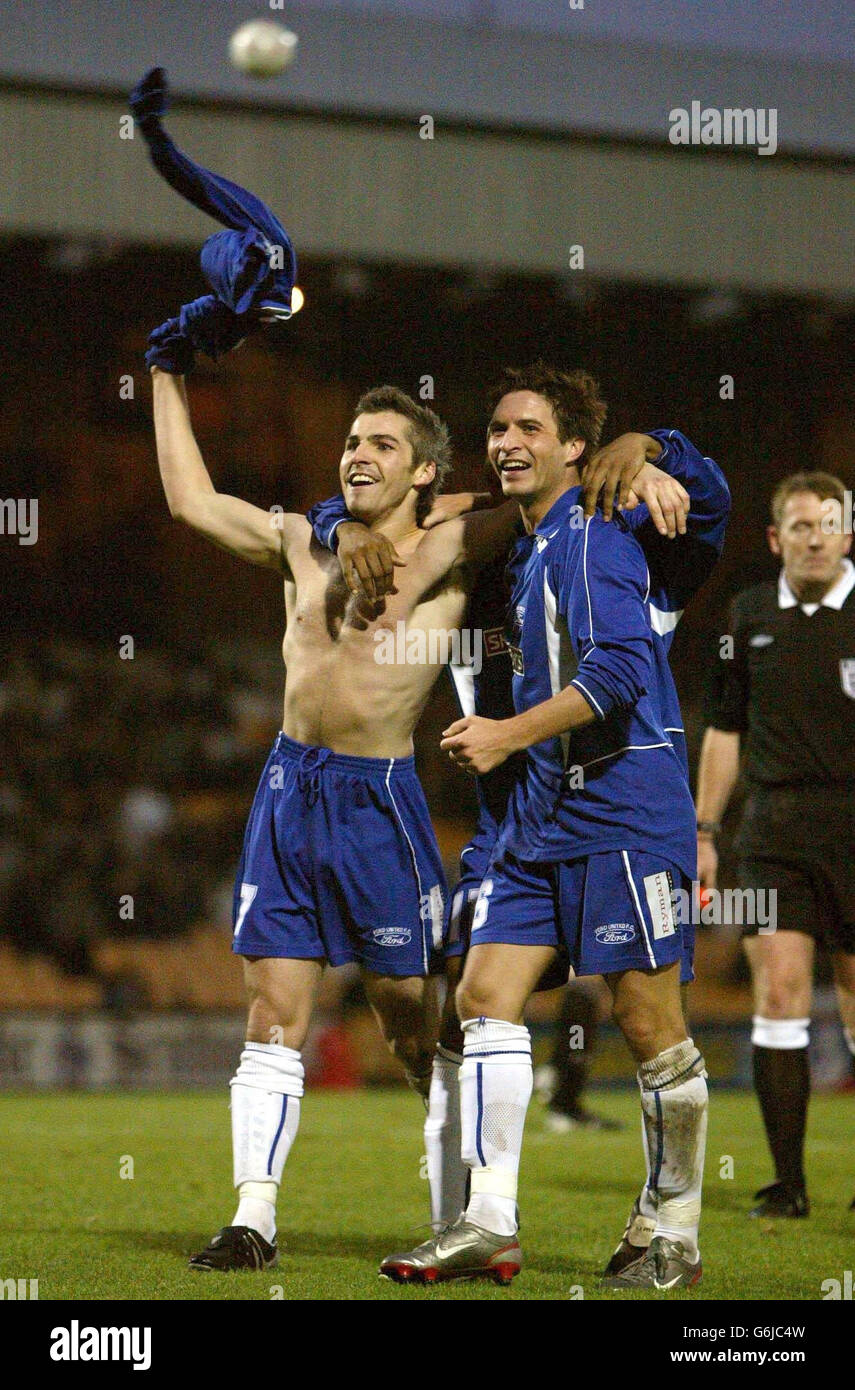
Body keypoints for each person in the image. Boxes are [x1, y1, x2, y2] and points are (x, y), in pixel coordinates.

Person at [309, 375, 710, 1234]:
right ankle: (485, 1222)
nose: (505, 441)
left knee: (645, 1021)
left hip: (622, 817)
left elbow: (616, 673)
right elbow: (366, 510)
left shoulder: (605, 534)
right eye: (494, 427)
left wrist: (655, 446)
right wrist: (338, 525)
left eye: (528, 426)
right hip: (526, 828)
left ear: (578, 448)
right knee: (481, 998)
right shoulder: (508, 544)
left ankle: (670, 1226)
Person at [697, 470, 855, 1219]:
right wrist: (704, 830)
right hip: (771, 831)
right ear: (774, 538)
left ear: (847, 534)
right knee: (780, 995)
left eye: (828, 522)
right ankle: (786, 1184)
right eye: (800, 525)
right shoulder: (747, 613)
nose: (815, 535)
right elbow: (723, 732)